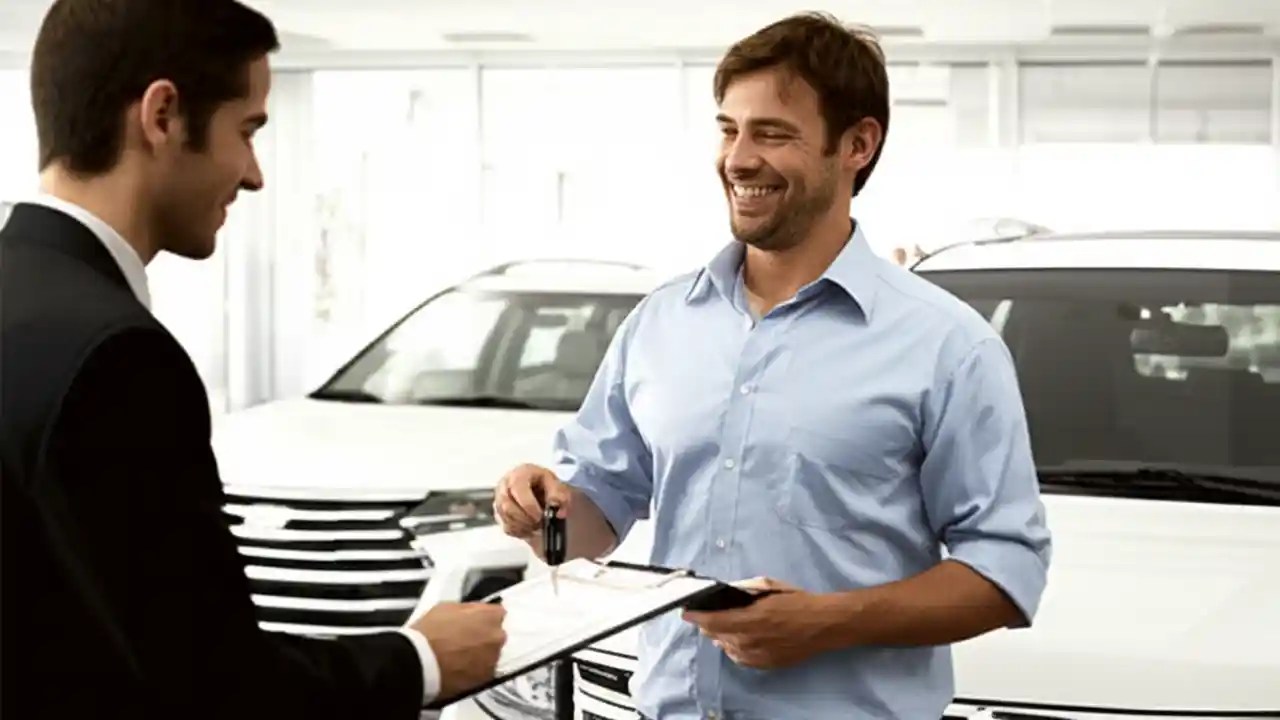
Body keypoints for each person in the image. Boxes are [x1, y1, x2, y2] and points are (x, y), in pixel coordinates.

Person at [494, 12, 1052, 720]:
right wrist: (541, 509)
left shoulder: (947, 346)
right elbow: (595, 512)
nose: (739, 158)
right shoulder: (661, 323)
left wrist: (831, 620)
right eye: (729, 129)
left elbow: (1006, 573)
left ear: (857, 144)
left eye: (773, 134)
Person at [0, 2, 504, 718]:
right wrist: (420, 661)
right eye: (249, 130)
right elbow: (206, 679)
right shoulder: (120, 358)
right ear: (163, 114)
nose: (256, 174)